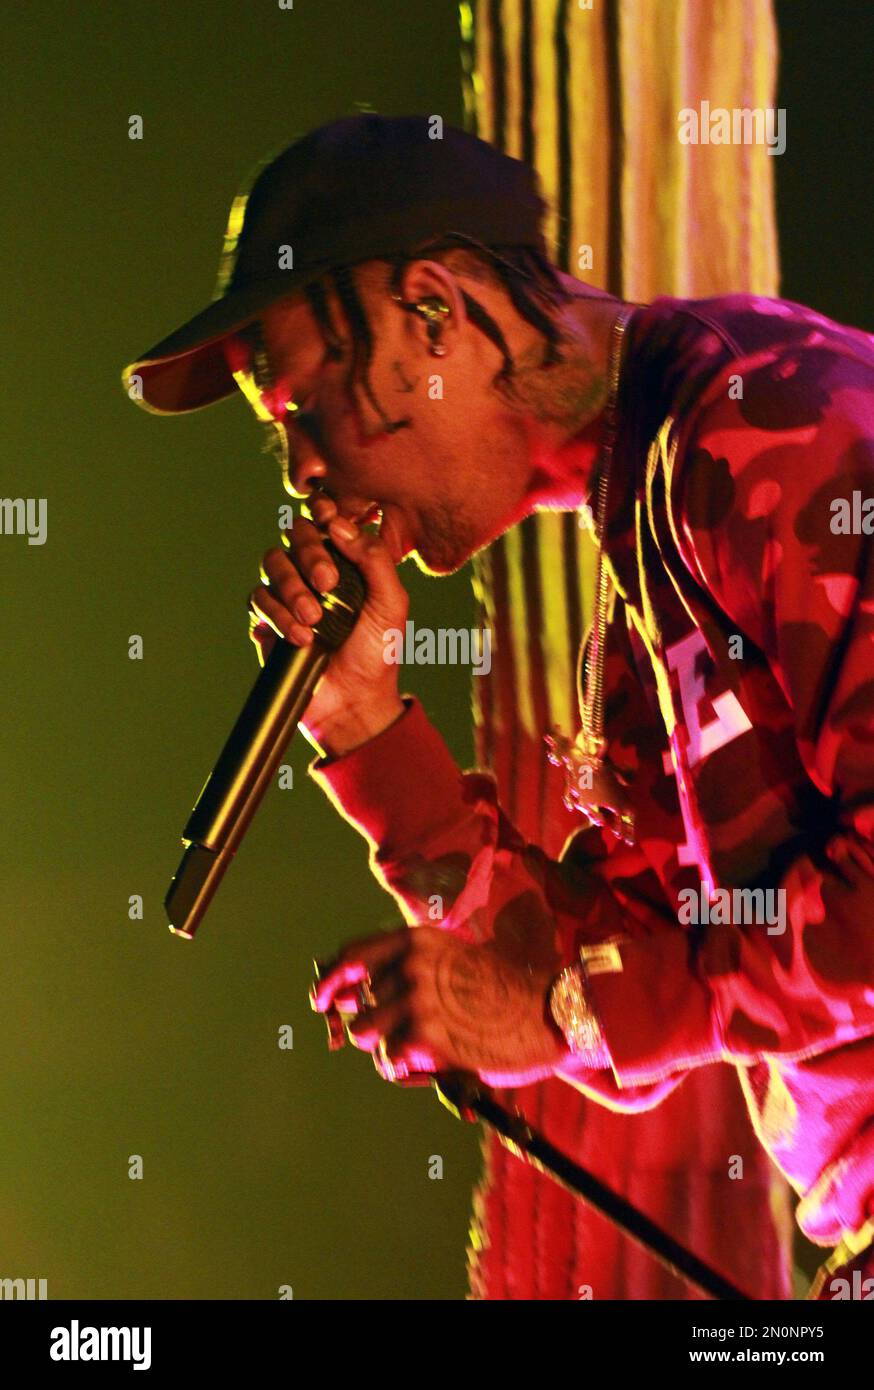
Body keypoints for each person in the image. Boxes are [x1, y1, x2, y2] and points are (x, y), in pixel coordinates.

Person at [123, 115, 874, 1300]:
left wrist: (579, 1005)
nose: (302, 473)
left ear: (432, 314)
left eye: (299, 409)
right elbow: (598, 981)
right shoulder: (639, 551)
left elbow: (620, 997)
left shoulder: (774, 423)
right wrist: (367, 728)